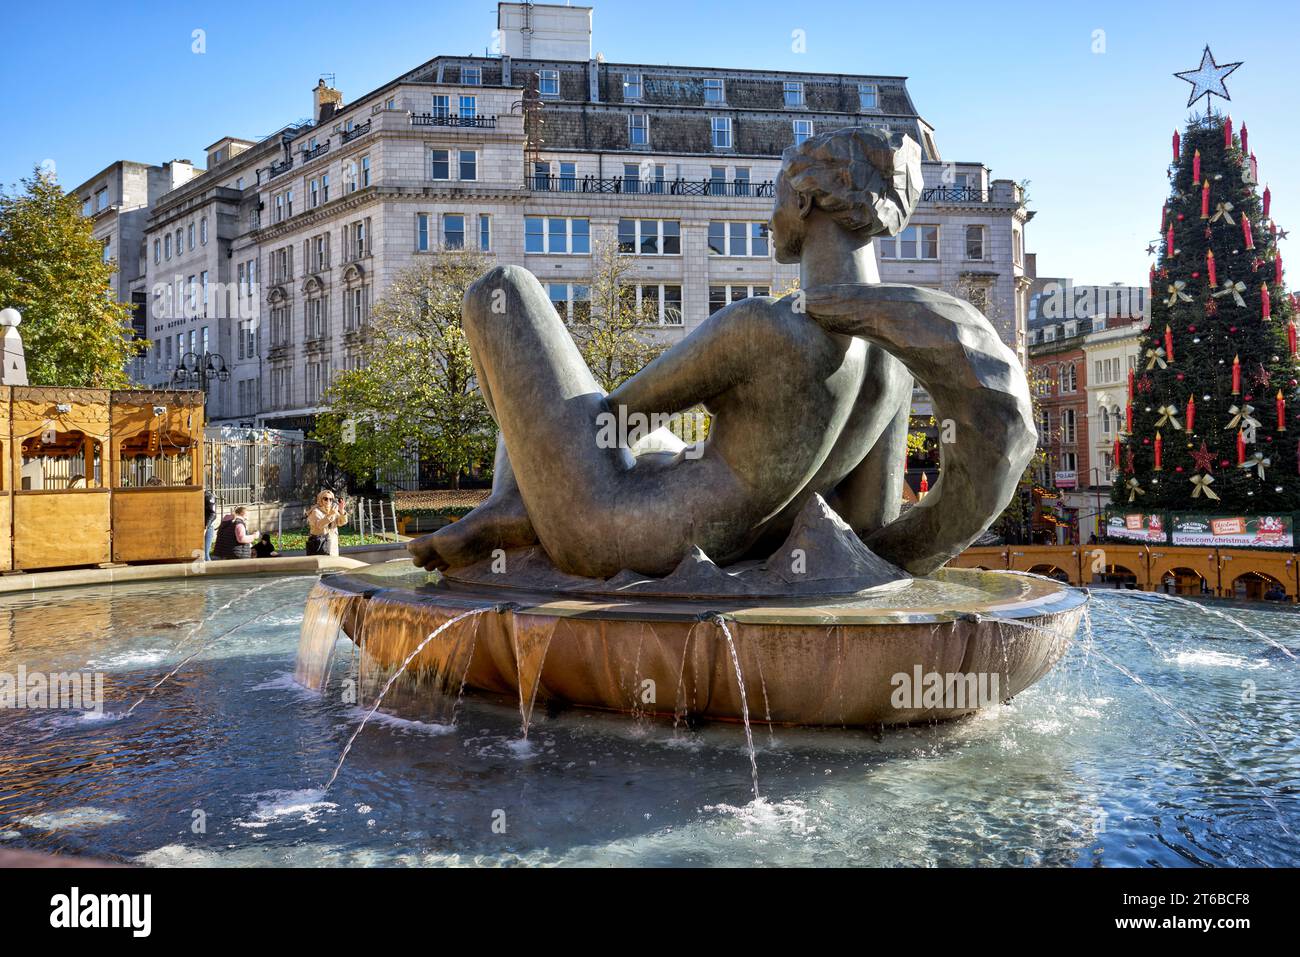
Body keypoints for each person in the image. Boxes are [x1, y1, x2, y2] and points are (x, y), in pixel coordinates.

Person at [409, 126, 1033, 580]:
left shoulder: (763, 326)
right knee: (654, 448)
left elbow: (609, 425)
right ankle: (513, 512)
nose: (769, 214)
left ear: (805, 200)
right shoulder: (893, 360)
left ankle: (510, 515)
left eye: (776, 194)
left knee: (502, 290)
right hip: (727, 544)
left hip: (606, 534)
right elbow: (866, 524)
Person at [306, 490, 348, 557]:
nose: (328, 501)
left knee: (333, 565)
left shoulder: (333, 510)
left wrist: (342, 511)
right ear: (320, 499)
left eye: (330, 499)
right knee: (323, 565)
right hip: (320, 545)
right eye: (326, 499)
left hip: (332, 544)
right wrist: (330, 515)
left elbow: (342, 522)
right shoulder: (315, 511)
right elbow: (319, 526)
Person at [203, 489, 218, 561]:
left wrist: (206, 526)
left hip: (206, 527)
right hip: (196, 526)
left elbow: (213, 514)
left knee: (205, 553)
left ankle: (209, 571)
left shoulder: (208, 496)